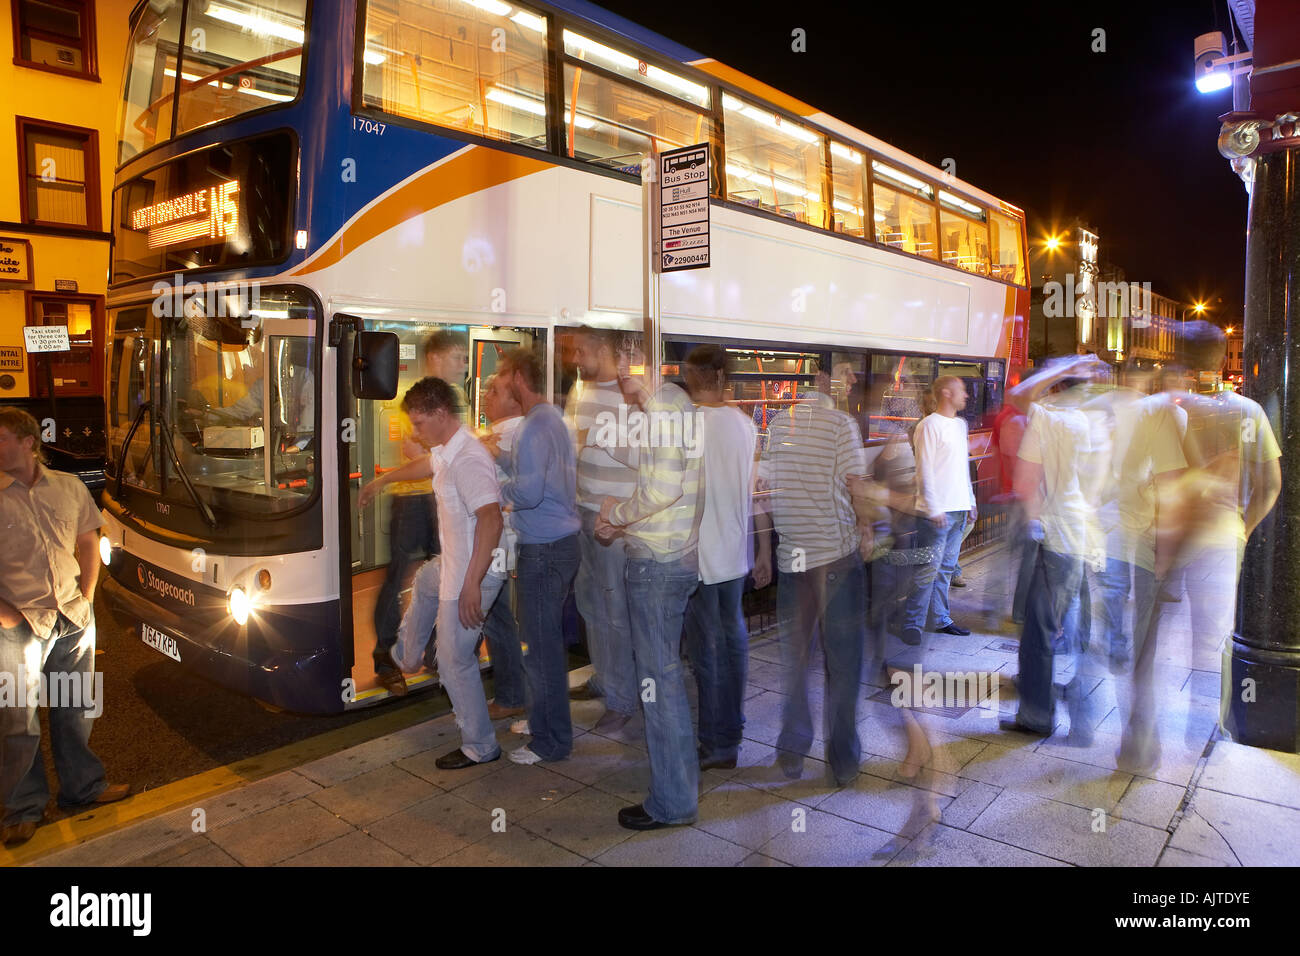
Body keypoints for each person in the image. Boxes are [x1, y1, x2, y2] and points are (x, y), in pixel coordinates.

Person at [1118, 322, 1281, 769]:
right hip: (1219, 540)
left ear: (1179, 357)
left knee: (1147, 644)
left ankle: (1140, 743)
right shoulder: (1247, 412)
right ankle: (1205, 731)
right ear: (1222, 358)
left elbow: (1130, 477)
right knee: (1212, 645)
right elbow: (1270, 484)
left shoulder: (1159, 409)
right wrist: (1242, 528)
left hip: (1157, 539)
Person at [359, 377, 506, 770]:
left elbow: (491, 520)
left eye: (419, 424)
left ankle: (481, 746)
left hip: (473, 571)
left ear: (441, 413)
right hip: (456, 564)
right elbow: (426, 464)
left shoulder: (468, 459)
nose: (415, 433)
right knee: (426, 579)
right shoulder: (447, 450)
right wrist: (383, 480)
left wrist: (473, 584)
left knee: (455, 661)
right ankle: (406, 657)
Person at [0, 408, 129, 847]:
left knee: (75, 708)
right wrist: (6, 613)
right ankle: (23, 809)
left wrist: (87, 598)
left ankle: (83, 788)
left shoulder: (68, 487)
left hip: (72, 617)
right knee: (18, 719)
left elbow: (89, 540)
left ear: (27, 442)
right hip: (17, 624)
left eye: (2, 439)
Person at [596, 337, 704, 829]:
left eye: (627, 360)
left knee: (658, 686)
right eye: (619, 360)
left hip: (657, 565)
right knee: (665, 681)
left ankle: (672, 802)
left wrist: (615, 516)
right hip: (675, 556)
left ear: (645, 362)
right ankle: (678, 790)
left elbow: (664, 488)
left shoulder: (663, 408)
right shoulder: (677, 403)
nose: (621, 371)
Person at [759, 362, 871, 787]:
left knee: (795, 662)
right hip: (835, 559)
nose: (851, 382)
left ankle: (791, 752)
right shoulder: (841, 425)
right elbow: (857, 485)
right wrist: (866, 529)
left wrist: (764, 550)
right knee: (842, 664)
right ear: (824, 381)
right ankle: (842, 762)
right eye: (845, 375)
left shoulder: (777, 425)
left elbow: (766, 491)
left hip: (793, 559)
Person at [999, 357, 1107, 740]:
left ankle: (1037, 716)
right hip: (1089, 535)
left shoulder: (1048, 417)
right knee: (1076, 622)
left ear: (1058, 385)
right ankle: (1083, 713)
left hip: (1057, 532)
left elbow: (1026, 482)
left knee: (1040, 629)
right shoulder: (1099, 420)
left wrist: (1034, 523)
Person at [490, 350, 581, 764]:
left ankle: (551, 742)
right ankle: (545, 725)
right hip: (561, 544)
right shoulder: (554, 418)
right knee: (547, 646)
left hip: (542, 550)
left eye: (502, 376)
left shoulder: (532, 426)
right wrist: (502, 458)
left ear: (519, 378)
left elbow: (528, 492)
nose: (499, 384)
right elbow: (543, 474)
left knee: (541, 651)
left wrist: (495, 491)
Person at [681, 345, 766, 772]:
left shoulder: (690, 424)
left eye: (688, 373)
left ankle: (715, 742)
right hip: (733, 551)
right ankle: (732, 731)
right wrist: (761, 550)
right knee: (733, 643)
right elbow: (752, 491)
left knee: (706, 652)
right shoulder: (745, 424)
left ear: (702, 376)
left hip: (699, 554)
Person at [371, 330, 468, 695]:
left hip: (443, 499)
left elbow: (457, 447)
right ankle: (387, 659)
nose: (462, 365)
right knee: (397, 579)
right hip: (411, 501)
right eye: (457, 357)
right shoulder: (409, 400)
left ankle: (435, 652)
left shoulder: (456, 399)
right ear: (435, 359)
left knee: (444, 576)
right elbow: (417, 452)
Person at [565, 327, 640, 734]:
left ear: (605, 349)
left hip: (615, 521)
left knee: (615, 612)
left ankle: (623, 698)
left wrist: (594, 435)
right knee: (590, 604)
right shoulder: (580, 391)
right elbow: (571, 447)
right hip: (583, 511)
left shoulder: (634, 395)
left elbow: (646, 457)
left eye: (582, 350)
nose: (576, 358)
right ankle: (605, 678)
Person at [900, 376, 977, 645]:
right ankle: (912, 624)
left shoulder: (960, 425)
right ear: (946, 393)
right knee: (927, 571)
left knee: (945, 569)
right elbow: (924, 470)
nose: (966, 395)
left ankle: (940, 619)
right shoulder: (928, 425)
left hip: (958, 508)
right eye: (961, 390)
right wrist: (933, 508)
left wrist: (970, 501)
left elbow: (961, 467)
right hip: (936, 513)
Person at [479, 373, 526, 721]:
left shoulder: (510, 433)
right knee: (496, 615)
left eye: (494, 391)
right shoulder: (499, 433)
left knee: (496, 617)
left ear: (514, 400)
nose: (485, 395)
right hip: (499, 539)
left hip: (497, 539)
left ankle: (512, 695)